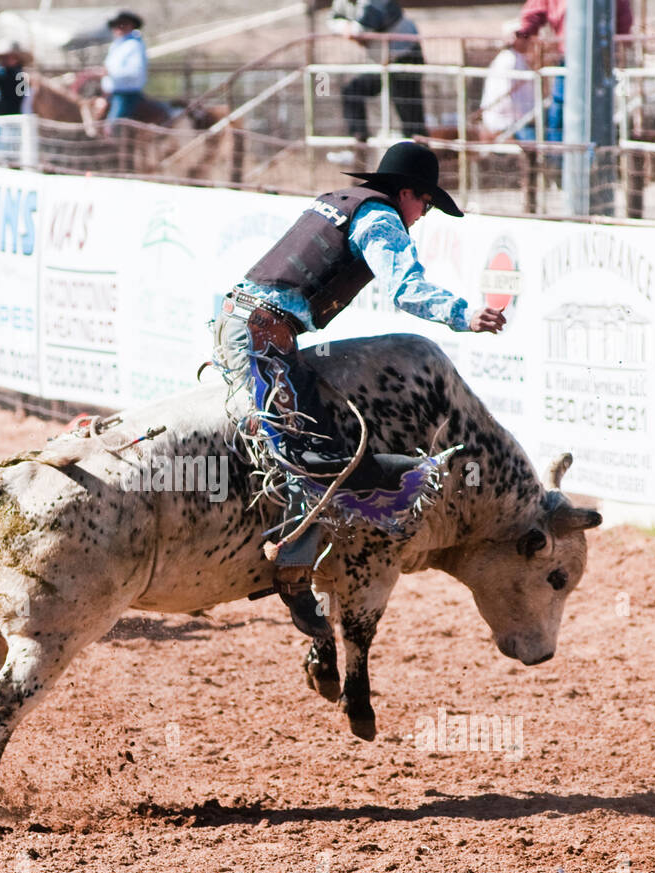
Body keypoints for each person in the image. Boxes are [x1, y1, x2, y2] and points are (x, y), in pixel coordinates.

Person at [213, 141, 505, 638]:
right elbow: (404, 288)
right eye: (426, 204)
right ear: (406, 193)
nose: (423, 215)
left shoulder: (338, 202)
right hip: (262, 335)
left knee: (307, 433)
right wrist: (464, 314)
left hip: (246, 325)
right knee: (316, 453)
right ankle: (293, 573)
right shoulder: (380, 220)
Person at [517, 0, 633, 142]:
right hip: (576, 57)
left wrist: (525, 31)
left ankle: (581, 155)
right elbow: (534, 11)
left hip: (597, 57)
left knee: (587, 108)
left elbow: (622, 16)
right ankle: (562, 155)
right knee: (568, 108)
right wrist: (524, 31)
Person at [329, 0, 425, 159]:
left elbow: (363, 27)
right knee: (352, 91)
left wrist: (348, 28)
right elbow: (332, 20)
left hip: (405, 56)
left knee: (409, 111)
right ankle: (358, 146)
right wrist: (345, 27)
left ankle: (421, 159)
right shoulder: (342, 2)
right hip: (380, 60)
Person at [479, 20, 537, 140]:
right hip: (507, 121)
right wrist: (522, 117)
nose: (528, 40)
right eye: (523, 36)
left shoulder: (517, 58)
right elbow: (504, 96)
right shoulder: (508, 60)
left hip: (519, 119)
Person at [101, 10, 148, 122]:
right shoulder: (117, 45)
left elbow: (134, 71)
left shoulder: (134, 45)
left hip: (126, 94)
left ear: (131, 26)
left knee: (114, 125)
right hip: (112, 93)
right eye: (116, 25)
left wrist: (109, 72)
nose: (119, 28)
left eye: (123, 24)